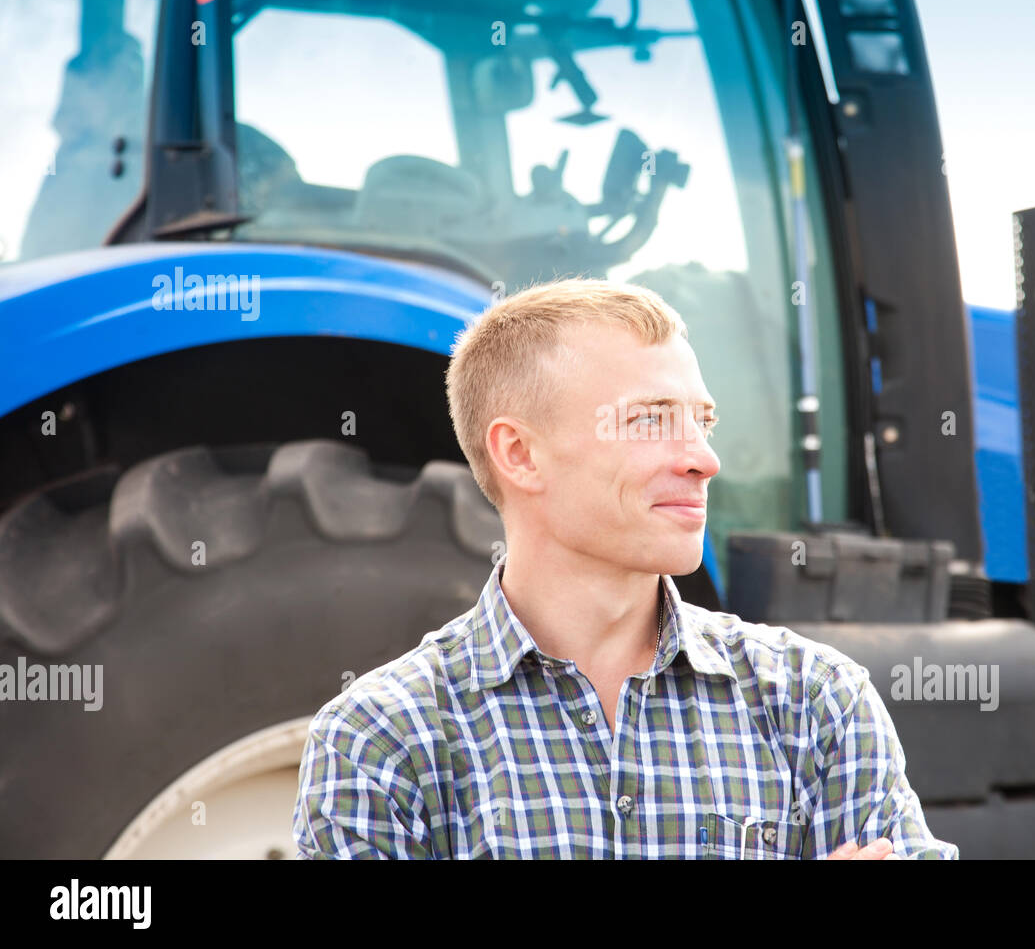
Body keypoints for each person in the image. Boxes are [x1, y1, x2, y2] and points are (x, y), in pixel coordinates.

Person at [292, 277, 958, 859]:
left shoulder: (816, 702)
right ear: (520, 454)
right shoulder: (380, 740)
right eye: (651, 419)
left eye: (704, 421)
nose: (704, 459)